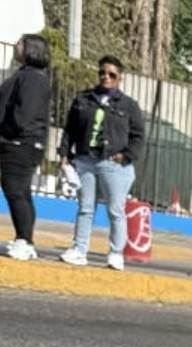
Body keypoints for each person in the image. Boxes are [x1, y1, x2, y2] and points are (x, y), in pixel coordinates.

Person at [58, 55, 142, 270]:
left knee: (115, 210)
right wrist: (64, 153)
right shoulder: (84, 99)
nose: (106, 77)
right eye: (102, 73)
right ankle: (79, 249)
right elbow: (70, 129)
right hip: (86, 160)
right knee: (85, 207)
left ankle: (116, 253)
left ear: (120, 78)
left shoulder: (129, 106)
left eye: (112, 75)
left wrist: (125, 156)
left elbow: (138, 136)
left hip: (113, 163)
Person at [0, 33, 50, 260]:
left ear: (31, 49)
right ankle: (25, 239)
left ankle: (24, 239)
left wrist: (9, 135)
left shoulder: (33, 78)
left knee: (15, 189)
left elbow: (24, 114)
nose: (16, 45)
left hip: (21, 142)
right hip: (22, 141)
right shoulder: (27, 75)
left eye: (20, 42)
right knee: (20, 190)